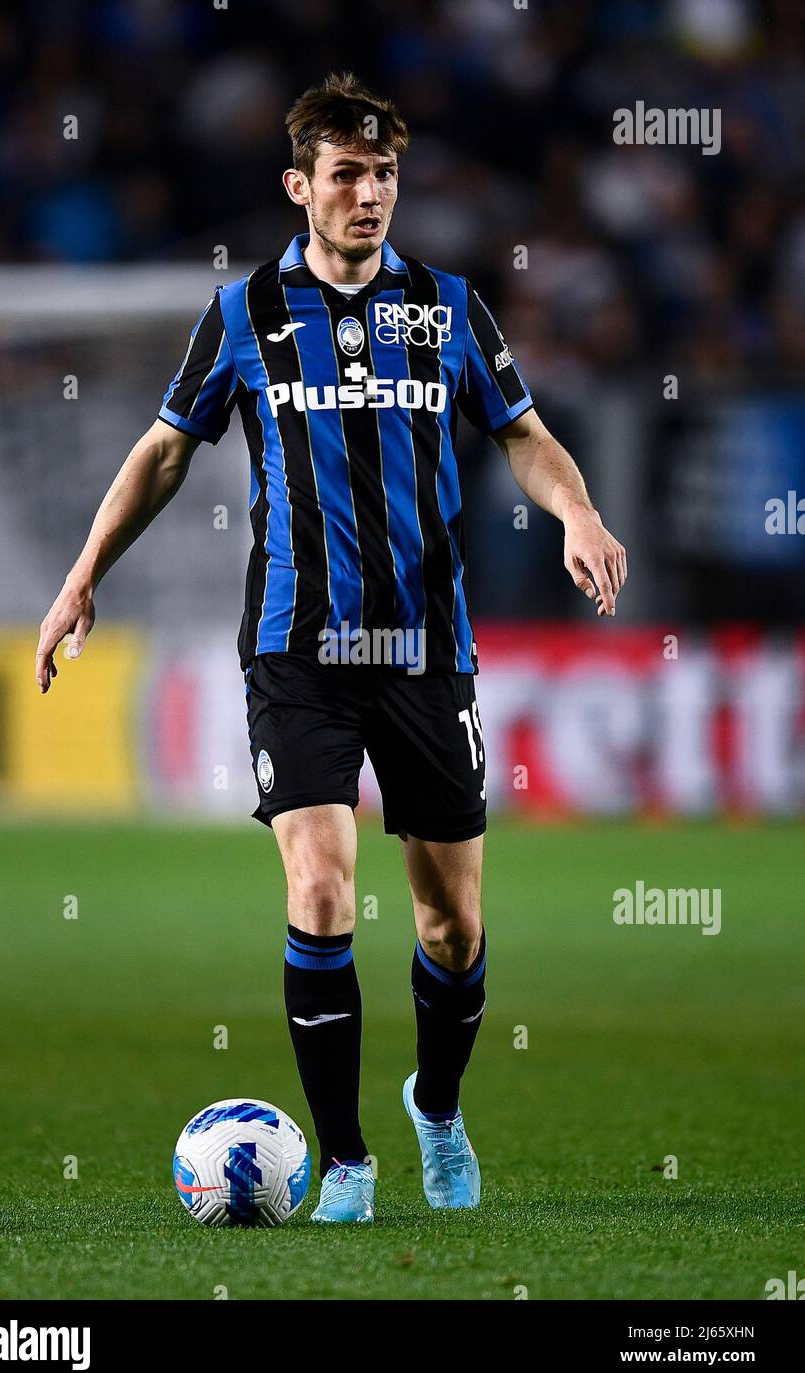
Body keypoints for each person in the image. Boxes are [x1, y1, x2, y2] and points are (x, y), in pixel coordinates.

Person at [36, 72, 627, 1225]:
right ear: (298, 184)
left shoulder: (448, 307)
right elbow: (164, 453)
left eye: (384, 174)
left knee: (449, 925)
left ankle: (437, 1109)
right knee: (318, 888)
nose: (368, 194)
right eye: (346, 174)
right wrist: (81, 574)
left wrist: (579, 512)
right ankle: (347, 1159)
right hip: (295, 649)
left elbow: (524, 434)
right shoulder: (245, 314)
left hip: (422, 651)